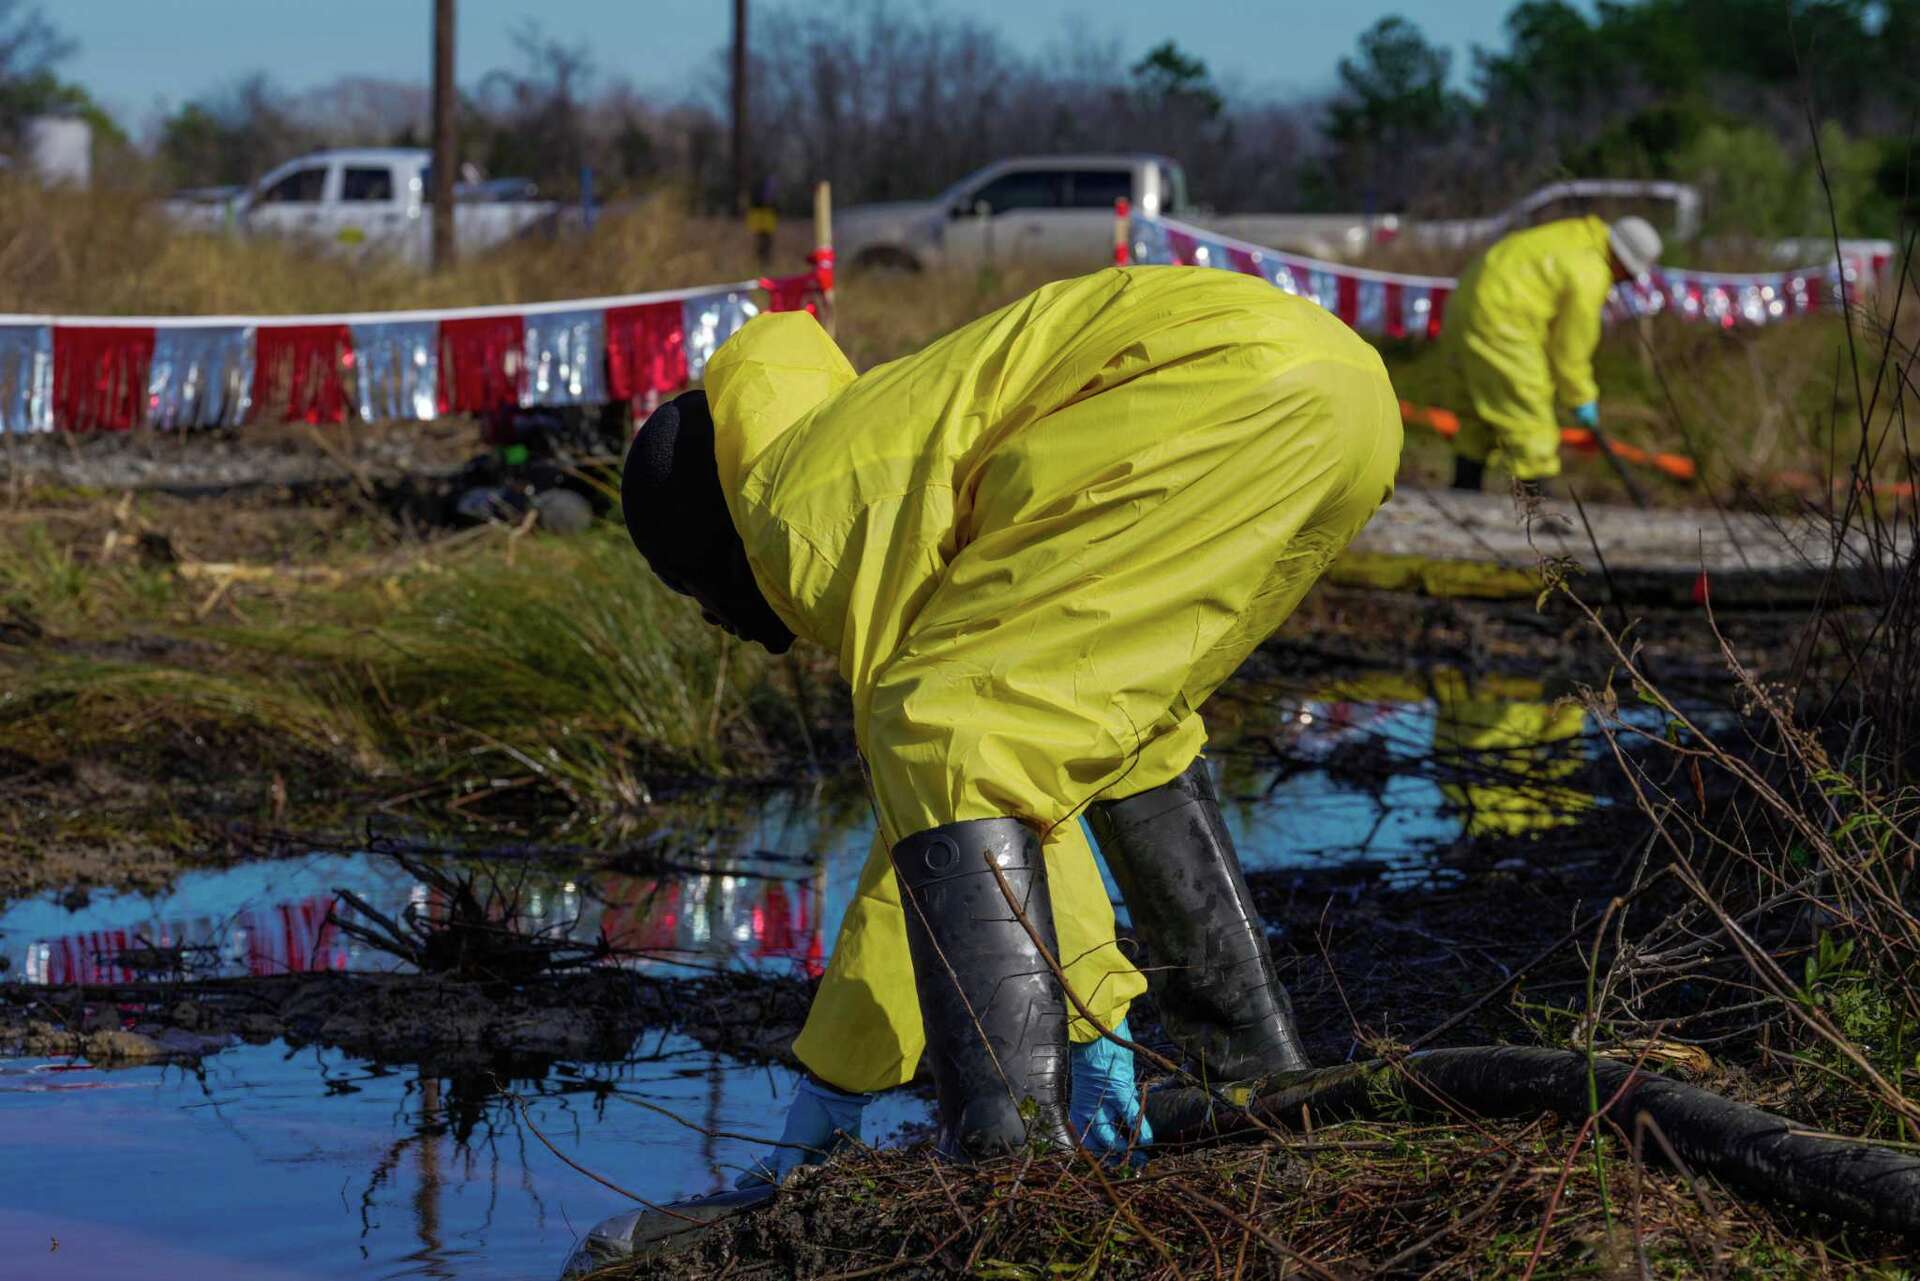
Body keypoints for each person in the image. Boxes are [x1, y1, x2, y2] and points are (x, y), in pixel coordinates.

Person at [619, 266, 1403, 1185]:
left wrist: (838, 1087)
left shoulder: (802, 510)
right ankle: (1253, 1077)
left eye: (699, 598)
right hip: (1343, 395)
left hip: (1226, 394)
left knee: (947, 732)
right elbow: (1026, 768)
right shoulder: (879, 432)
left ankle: (1008, 1155)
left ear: (714, 545)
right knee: (1119, 729)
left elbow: (951, 775)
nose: (720, 627)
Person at [1443, 215, 1662, 495]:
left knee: (1479, 411)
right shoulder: (1591, 270)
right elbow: (1569, 351)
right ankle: (1540, 511)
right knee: (1531, 420)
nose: (1623, 283)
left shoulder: (1573, 234)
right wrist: (1581, 398)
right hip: (1502, 320)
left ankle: (1464, 489)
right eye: (1628, 276)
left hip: (1465, 303)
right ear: (1622, 260)